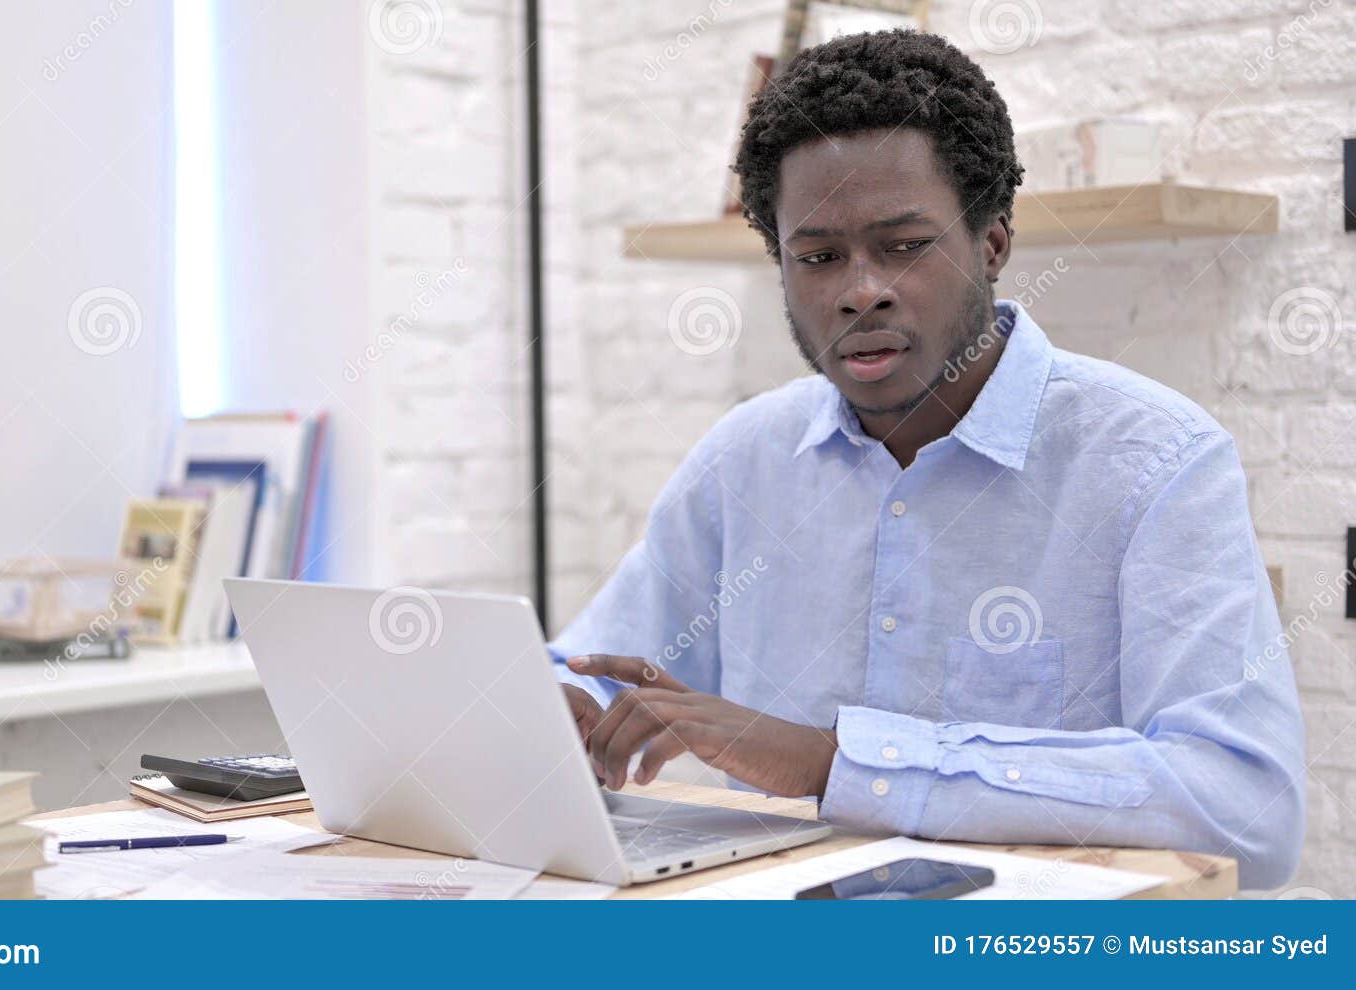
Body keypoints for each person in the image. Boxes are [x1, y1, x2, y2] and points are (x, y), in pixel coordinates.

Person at [549, 29, 1305, 890]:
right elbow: (589, 672)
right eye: (818, 255)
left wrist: (831, 762)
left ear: (992, 244)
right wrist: (559, 719)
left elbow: (1248, 808)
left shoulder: (1156, 463)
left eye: (904, 245)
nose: (857, 289)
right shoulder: (744, 460)